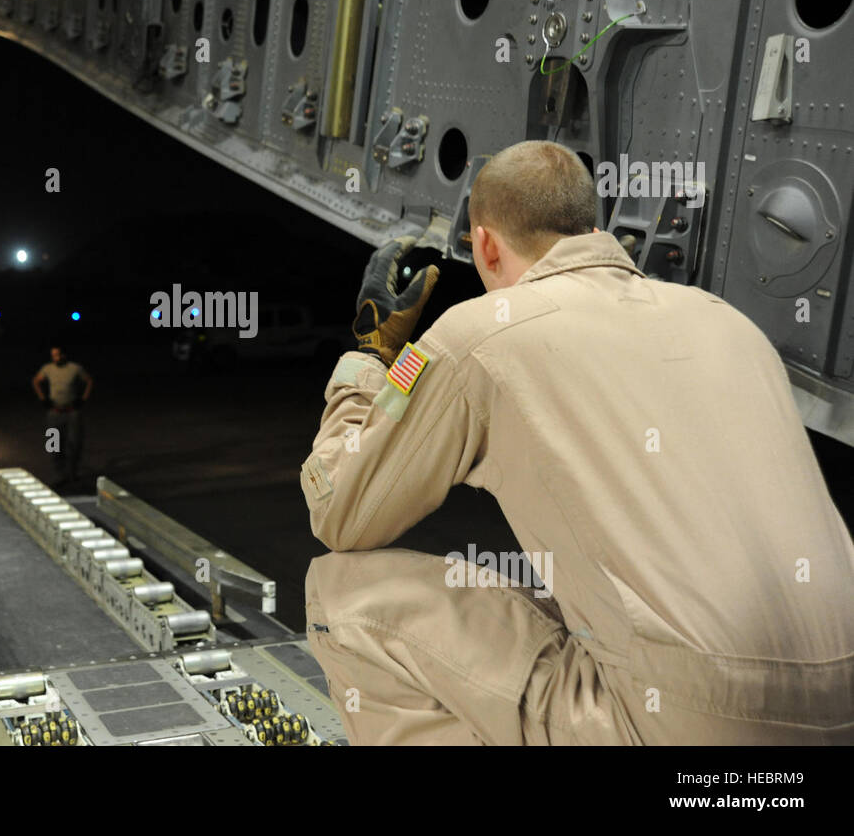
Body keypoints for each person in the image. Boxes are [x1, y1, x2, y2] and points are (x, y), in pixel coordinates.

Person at [300, 140, 854, 745]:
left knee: (342, 595)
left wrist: (371, 353)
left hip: (686, 723)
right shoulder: (729, 323)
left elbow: (341, 512)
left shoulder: (484, 334)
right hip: (839, 709)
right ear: (592, 229)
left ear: (484, 244)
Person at [32, 345, 93, 485]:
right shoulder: (48, 368)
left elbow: (89, 381)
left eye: (58, 355)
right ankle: (58, 473)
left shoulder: (74, 368)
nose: (56, 358)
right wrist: (43, 398)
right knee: (53, 444)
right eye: (54, 355)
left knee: (74, 443)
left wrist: (83, 399)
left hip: (72, 411)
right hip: (54, 412)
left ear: (64, 355)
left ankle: (72, 472)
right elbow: (36, 381)